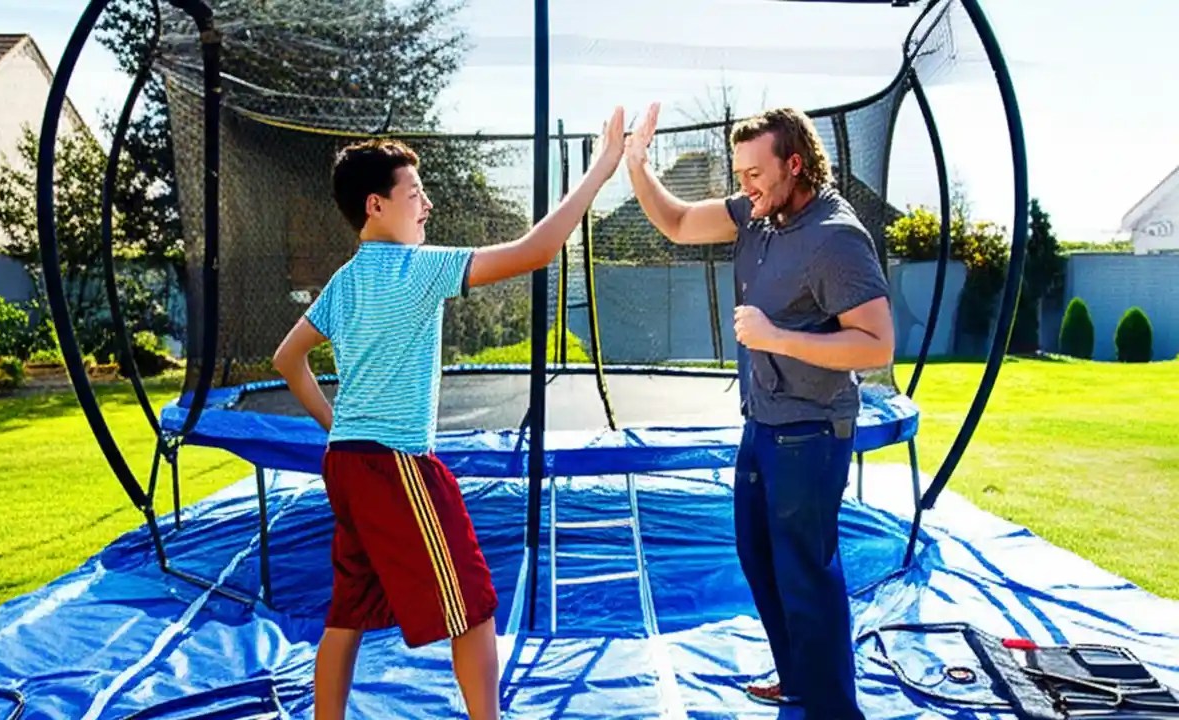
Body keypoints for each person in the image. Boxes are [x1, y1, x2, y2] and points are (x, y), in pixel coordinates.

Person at [271, 106, 626, 720]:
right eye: (414, 192)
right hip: (395, 465)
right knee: (475, 605)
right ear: (376, 206)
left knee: (348, 612)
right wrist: (599, 171)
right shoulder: (417, 268)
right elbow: (537, 250)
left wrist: (339, 429)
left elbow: (287, 358)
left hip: (348, 466)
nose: (426, 204)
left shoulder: (345, 280)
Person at [622, 102, 893, 720]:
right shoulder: (760, 214)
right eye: (738, 172)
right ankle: (798, 676)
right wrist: (636, 163)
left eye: (754, 172)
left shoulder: (836, 238)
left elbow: (877, 345)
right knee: (758, 553)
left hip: (812, 430)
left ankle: (831, 707)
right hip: (764, 423)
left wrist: (774, 337)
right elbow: (679, 222)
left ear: (794, 163)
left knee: (805, 571)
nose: (743, 185)